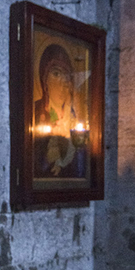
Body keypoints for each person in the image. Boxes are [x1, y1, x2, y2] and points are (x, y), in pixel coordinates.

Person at [33, 43, 85, 179]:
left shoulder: (74, 117)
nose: (63, 82)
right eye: (56, 73)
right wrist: (46, 158)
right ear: (44, 80)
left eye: (67, 76)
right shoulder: (34, 112)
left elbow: (81, 168)